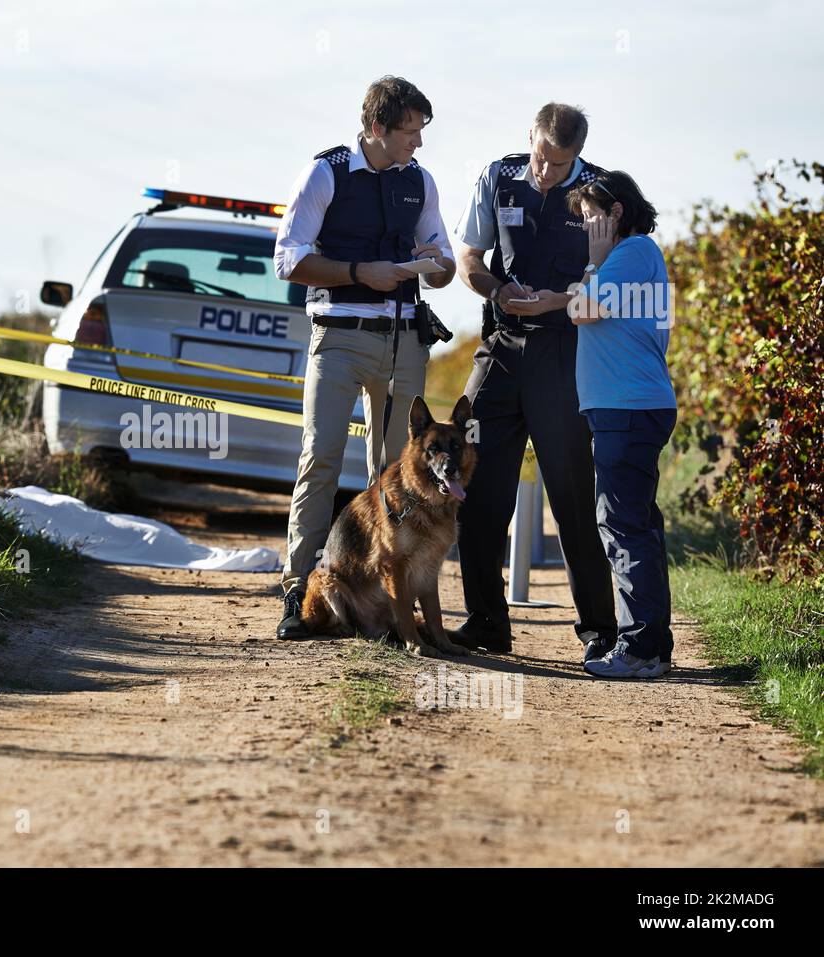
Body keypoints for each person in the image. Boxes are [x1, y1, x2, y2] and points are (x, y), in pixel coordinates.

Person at [273, 75, 455, 640]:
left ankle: (385, 606)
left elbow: (447, 266)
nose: (417, 143)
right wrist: (359, 274)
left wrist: (432, 262)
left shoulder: (420, 182)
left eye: (421, 131)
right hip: (339, 338)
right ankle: (297, 591)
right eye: (409, 131)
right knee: (321, 461)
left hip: (404, 340)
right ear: (376, 127)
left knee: (395, 475)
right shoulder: (324, 172)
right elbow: (287, 259)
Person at [452, 102, 617, 660]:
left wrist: (560, 300)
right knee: (473, 489)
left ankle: (600, 632)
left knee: (572, 498)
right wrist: (497, 291)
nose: (546, 172)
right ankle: (485, 623)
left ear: (579, 156)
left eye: (559, 164)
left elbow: (614, 284)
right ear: (531, 138)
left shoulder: (599, 192)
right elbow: (469, 256)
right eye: (541, 158)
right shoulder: (497, 176)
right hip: (499, 349)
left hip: (565, 357)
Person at [564, 171, 677, 678]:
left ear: (615, 213)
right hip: (629, 407)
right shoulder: (637, 258)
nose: (586, 227)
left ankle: (639, 651)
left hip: (627, 409)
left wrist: (591, 262)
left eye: (591, 217)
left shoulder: (630, 253)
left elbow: (581, 310)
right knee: (638, 526)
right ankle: (652, 645)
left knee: (623, 527)